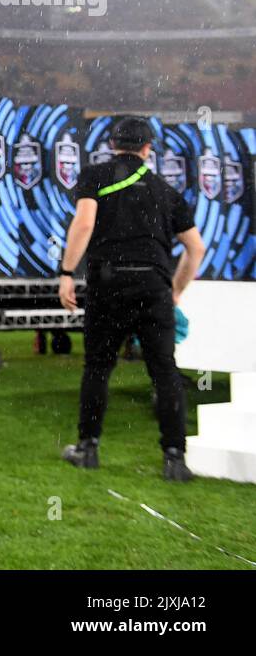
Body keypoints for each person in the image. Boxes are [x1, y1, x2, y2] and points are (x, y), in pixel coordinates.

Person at [57, 115, 205, 481]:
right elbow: (196, 248)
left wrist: (66, 273)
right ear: (147, 149)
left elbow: (84, 223)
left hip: (108, 284)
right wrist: (175, 289)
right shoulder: (166, 192)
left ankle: (88, 448)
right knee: (164, 371)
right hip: (153, 286)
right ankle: (174, 458)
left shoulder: (96, 175)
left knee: (98, 367)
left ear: (112, 144)